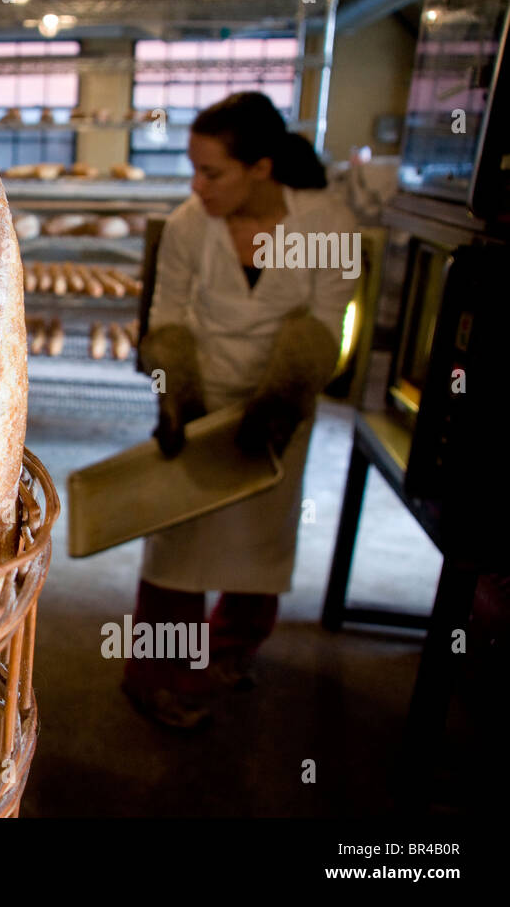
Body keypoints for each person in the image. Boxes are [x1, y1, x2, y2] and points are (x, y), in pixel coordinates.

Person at [123, 91, 358, 728]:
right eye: (193, 169)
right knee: (178, 549)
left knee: (258, 543)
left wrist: (283, 400)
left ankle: (226, 654)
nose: (198, 186)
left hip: (278, 403)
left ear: (262, 166)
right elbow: (167, 320)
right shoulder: (189, 226)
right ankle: (160, 676)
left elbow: (323, 325)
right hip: (204, 398)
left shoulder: (324, 223)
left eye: (213, 172)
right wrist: (178, 399)